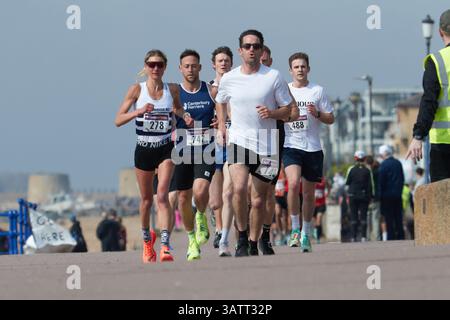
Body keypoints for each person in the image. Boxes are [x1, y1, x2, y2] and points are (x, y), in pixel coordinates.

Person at [216, 29, 295, 257]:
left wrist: (272, 113)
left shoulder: (273, 77)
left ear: (261, 50)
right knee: (238, 189)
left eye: (256, 46)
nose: (252, 49)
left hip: (268, 144)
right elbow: (220, 101)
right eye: (247, 46)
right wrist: (222, 126)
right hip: (240, 141)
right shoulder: (230, 78)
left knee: (259, 201)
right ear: (240, 51)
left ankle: (253, 241)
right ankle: (241, 238)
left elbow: (288, 109)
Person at [115, 49, 193, 263]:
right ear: (146, 67)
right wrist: (137, 112)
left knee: (162, 195)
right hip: (143, 149)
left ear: (165, 67)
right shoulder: (136, 90)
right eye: (151, 65)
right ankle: (147, 241)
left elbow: (177, 109)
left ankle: (165, 246)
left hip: (166, 148)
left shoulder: (173, 89)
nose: (155, 68)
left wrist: (185, 115)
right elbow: (118, 119)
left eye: (159, 64)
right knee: (146, 201)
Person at [284, 52, 334, 252]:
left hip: (313, 147)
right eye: (296, 67)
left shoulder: (317, 91)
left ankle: (307, 231)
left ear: (308, 69)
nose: (300, 70)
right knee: (293, 184)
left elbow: (331, 118)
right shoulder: (284, 91)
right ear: (291, 70)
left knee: (309, 193)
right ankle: (294, 228)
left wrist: (318, 114)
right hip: (291, 145)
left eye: (303, 66)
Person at [174, 49, 217, 261]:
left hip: (206, 149)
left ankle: (200, 214)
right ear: (180, 68)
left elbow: (226, 112)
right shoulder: (175, 93)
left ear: (200, 67)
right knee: (183, 197)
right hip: (182, 150)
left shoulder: (211, 91)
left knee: (200, 192)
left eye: (194, 66)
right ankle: (191, 240)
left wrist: (221, 122)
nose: (191, 69)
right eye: (186, 66)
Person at [406, 9, 450, 182]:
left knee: (443, 200)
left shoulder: (437, 62)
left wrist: (418, 135)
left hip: (443, 145)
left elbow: (429, 102)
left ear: (440, 32)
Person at [208, 46, 233, 252]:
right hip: (213, 145)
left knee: (230, 191)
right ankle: (218, 227)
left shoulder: (237, 85)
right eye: (220, 60)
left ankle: (224, 232)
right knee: (216, 200)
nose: (223, 63)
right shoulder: (208, 88)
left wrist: (226, 120)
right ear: (213, 64)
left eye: (226, 60)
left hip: (235, 143)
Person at [345, 151, 374, 242]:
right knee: (363, 216)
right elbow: (371, 185)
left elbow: (347, 182)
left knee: (353, 216)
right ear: (364, 159)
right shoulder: (367, 170)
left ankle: (353, 236)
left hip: (352, 195)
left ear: (355, 158)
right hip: (364, 195)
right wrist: (370, 197)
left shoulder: (351, 169)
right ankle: (363, 237)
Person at [378, 145, 405, 240]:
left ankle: (391, 236)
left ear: (384, 154)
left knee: (389, 218)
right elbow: (402, 179)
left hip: (386, 196)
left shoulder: (383, 165)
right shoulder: (398, 163)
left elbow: (380, 181)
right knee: (398, 216)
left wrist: (380, 195)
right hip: (397, 195)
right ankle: (401, 235)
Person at [365, 155, 381, 241]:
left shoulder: (365, 172)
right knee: (376, 220)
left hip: (367, 199)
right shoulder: (377, 172)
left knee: (367, 220)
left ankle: (367, 238)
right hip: (376, 199)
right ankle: (377, 239)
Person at [313, 176, 327, 243]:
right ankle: (317, 235)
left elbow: (328, 186)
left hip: (321, 204)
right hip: (313, 204)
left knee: (319, 218)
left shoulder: (323, 180)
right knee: (315, 222)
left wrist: (327, 194)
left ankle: (318, 238)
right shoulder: (312, 179)